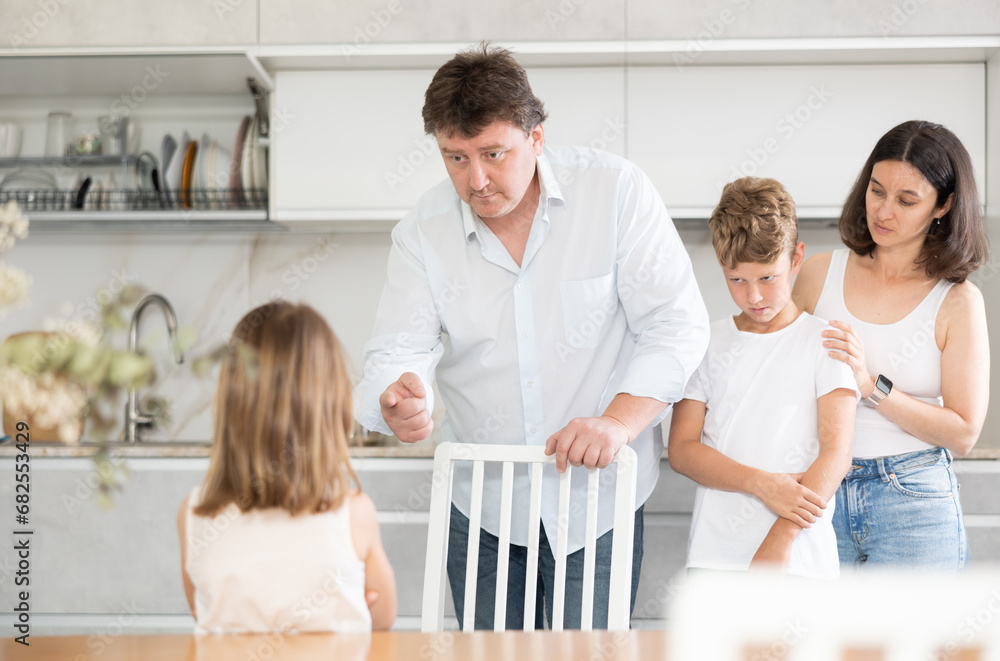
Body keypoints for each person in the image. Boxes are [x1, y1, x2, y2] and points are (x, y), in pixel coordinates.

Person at [355, 43, 709, 629]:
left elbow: (676, 325)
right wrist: (399, 395)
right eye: (456, 158)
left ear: (536, 136)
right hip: (483, 510)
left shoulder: (616, 193)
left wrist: (617, 422)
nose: (478, 180)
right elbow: (397, 351)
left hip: (598, 504)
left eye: (494, 153)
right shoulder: (423, 231)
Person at [792, 120, 990, 568]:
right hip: (818, 492)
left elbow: (963, 432)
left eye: (906, 200)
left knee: (911, 640)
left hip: (914, 499)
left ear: (944, 205)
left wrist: (869, 385)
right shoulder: (818, 275)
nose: (883, 211)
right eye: (877, 190)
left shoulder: (957, 301)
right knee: (817, 637)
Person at [668, 176, 859, 577]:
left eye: (767, 278)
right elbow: (683, 450)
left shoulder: (826, 342)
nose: (753, 297)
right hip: (714, 556)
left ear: (795, 259)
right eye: (737, 280)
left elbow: (836, 454)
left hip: (799, 560)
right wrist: (762, 484)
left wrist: (780, 539)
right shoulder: (706, 342)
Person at [177, 301, 396, 632]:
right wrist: (347, 604)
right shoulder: (354, 513)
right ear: (330, 408)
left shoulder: (194, 515)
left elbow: (202, 609)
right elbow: (382, 619)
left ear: (231, 406)